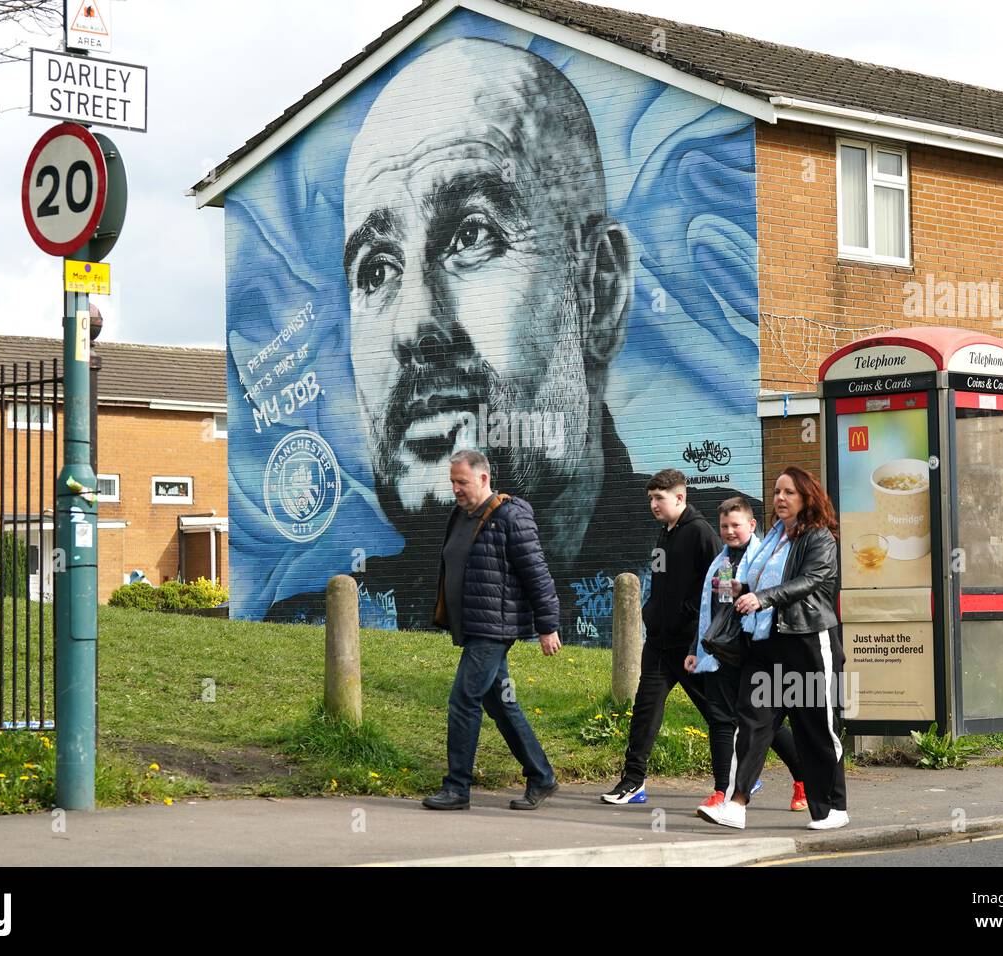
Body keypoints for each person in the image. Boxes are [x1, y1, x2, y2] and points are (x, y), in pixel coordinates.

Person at [265, 36, 653, 631]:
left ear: (597, 290)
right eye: (377, 269)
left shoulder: (699, 572)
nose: (414, 324)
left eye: (473, 236)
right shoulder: (313, 628)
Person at [706, 467, 847, 831]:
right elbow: (763, 579)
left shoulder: (820, 538)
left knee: (816, 727)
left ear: (806, 498)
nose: (779, 498)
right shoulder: (774, 537)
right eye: (776, 492)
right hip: (767, 643)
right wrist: (742, 588)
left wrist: (763, 598)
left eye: (788, 493)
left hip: (808, 642)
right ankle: (736, 803)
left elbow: (811, 580)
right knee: (752, 722)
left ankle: (832, 808)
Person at [421, 449, 563, 812]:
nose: (455, 488)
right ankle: (542, 775)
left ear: (483, 479)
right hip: (475, 625)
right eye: (452, 481)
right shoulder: (460, 516)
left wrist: (548, 627)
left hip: (494, 627)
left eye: (462, 482)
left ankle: (457, 788)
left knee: (463, 699)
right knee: (501, 702)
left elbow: (537, 574)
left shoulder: (510, 517)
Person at [600, 469, 722, 805]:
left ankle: (782, 771)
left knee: (720, 713)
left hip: (690, 645)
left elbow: (718, 584)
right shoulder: (664, 534)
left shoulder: (700, 533)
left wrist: (692, 622)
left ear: (680, 497)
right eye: (650, 498)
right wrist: (651, 613)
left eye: (660, 498)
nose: (653, 504)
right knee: (645, 709)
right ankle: (633, 780)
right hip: (659, 643)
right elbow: (660, 581)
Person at [691, 497, 808, 825]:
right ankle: (722, 791)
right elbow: (710, 610)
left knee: (763, 727)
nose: (729, 532)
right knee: (720, 721)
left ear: (752, 525)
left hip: (755, 653)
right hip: (720, 653)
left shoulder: (764, 557)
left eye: (736, 525)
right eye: (724, 526)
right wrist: (695, 650)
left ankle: (804, 779)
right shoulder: (720, 561)